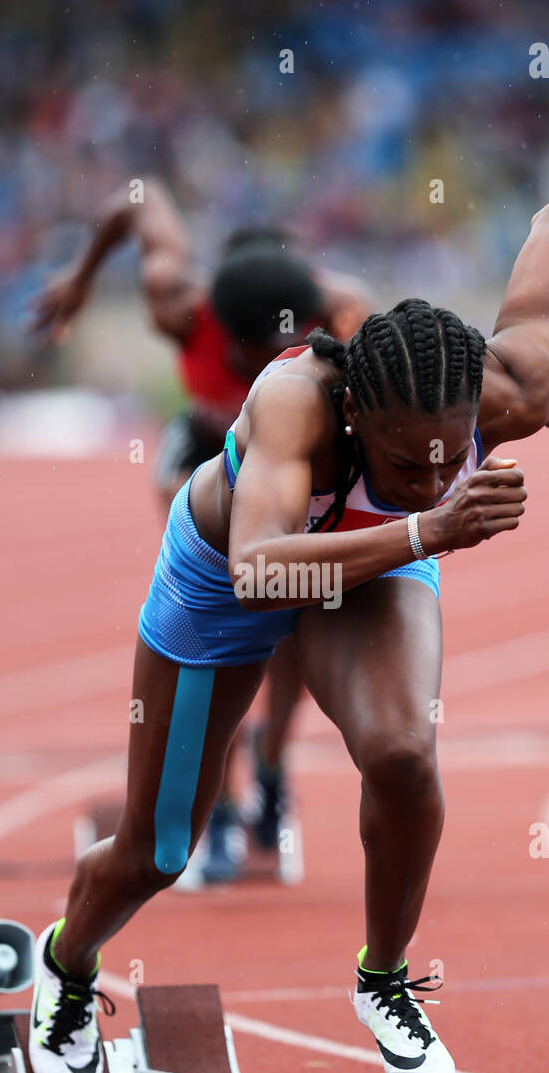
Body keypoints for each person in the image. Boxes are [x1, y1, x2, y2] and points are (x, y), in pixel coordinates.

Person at [28, 200, 549, 1073]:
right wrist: (427, 525)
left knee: (404, 753)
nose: (429, 475)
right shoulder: (294, 402)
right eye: (405, 462)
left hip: (365, 573)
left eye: (449, 460)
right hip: (225, 577)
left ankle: (385, 978)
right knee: (157, 850)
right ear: (357, 413)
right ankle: (65, 969)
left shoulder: (508, 390)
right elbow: (258, 571)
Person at [31, 179, 372, 881]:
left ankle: (271, 765)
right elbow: (137, 197)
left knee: (291, 614)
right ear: (218, 326)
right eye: (250, 360)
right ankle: (213, 799)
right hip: (210, 453)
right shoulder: (178, 302)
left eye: (288, 352)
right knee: (215, 609)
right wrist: (82, 277)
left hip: (299, 458)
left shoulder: (344, 313)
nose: (267, 373)